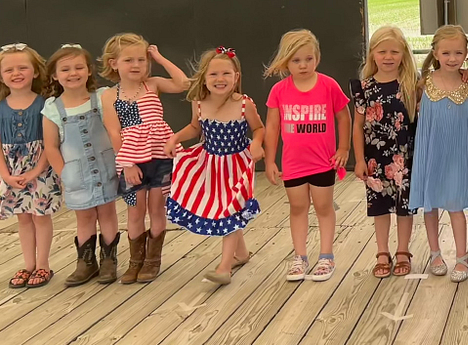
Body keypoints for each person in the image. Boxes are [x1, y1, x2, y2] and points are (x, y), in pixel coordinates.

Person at [166, 47, 264, 284]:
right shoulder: (199, 103)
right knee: (222, 208)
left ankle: (223, 268)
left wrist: (257, 144)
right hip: (211, 164)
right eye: (213, 75)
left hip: (237, 164)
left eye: (226, 74)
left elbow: (259, 128)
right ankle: (240, 254)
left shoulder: (244, 104)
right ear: (204, 78)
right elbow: (195, 128)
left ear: (236, 77)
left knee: (229, 210)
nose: (220, 80)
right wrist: (175, 138)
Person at [264, 29, 352, 282]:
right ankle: (300, 257)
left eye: (308, 59)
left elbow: (343, 116)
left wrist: (343, 148)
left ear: (317, 58)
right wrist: (270, 161)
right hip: (293, 164)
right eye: (296, 60)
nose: (303, 65)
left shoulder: (328, 85)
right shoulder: (279, 91)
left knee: (324, 207)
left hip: (323, 162)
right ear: (286, 62)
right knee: (298, 207)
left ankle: (326, 255)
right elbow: (272, 127)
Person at [101, 33, 188, 283]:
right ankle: (134, 262)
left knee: (156, 208)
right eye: (129, 60)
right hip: (133, 159)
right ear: (113, 63)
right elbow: (114, 131)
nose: (136, 65)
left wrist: (159, 57)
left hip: (159, 154)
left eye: (141, 59)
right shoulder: (110, 96)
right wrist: (127, 163)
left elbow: (183, 83)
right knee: (135, 211)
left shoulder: (153, 84)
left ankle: (152, 261)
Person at [409, 25, 468, 283]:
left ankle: (462, 256)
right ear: (436, 53)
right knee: (430, 204)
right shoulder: (423, 83)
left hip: (458, 151)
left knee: (454, 204)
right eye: (447, 53)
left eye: (458, 53)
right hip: (432, 150)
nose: (452, 58)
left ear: (466, 54)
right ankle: (435, 253)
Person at [42, 44, 120, 286]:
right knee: (84, 217)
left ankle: (109, 259)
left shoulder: (102, 98)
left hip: (105, 166)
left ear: (88, 71)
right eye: (65, 69)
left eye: (79, 67)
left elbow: (115, 128)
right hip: (77, 174)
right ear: (55, 75)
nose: (73, 73)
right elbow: (51, 146)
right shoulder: (53, 108)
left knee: (107, 212)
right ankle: (86, 261)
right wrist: (64, 173)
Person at [350, 26, 419, 278]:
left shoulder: (411, 83)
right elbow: (357, 127)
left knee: (405, 205)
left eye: (394, 51)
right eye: (382, 51)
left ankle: (403, 250)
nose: (388, 56)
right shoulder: (363, 88)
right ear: (372, 54)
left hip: (406, 155)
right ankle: (382, 251)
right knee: (378, 205)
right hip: (374, 158)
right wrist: (358, 160)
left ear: (403, 54)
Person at [0, 43, 60, 288]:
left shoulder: (46, 105)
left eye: (22, 67)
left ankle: (43, 264)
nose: (16, 73)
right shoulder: (0, 108)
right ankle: (28, 264)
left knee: (40, 216)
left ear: (35, 72)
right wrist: (5, 175)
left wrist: (37, 171)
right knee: (23, 218)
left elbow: (50, 143)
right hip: (11, 170)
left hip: (40, 168)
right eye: (9, 70)